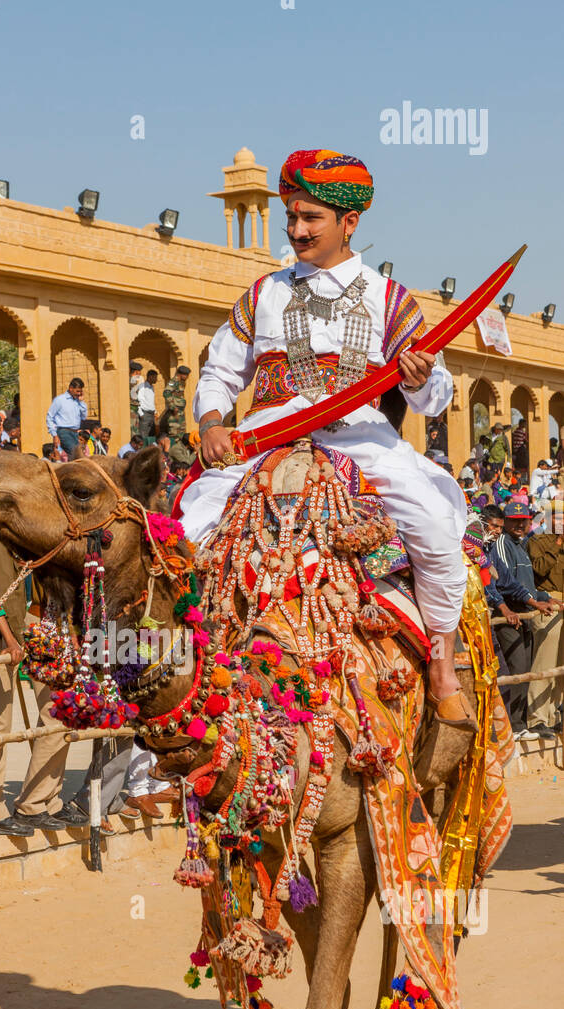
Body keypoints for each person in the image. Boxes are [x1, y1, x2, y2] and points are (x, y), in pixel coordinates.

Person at [185, 146, 477, 729]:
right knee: (185, 537)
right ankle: (185, 687)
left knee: (438, 530)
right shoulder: (261, 293)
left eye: (310, 217)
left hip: (360, 439)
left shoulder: (389, 297)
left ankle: (442, 667)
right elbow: (219, 371)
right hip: (266, 439)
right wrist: (214, 422)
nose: (295, 229)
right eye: (291, 216)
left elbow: (436, 393)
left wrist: (421, 380)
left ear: (350, 222)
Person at [0, 545, 85, 836]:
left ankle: (38, 801)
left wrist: (69, 628)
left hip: (44, 621)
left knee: (60, 712)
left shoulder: (38, 520)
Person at [491, 499, 564, 739]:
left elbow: (529, 584)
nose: (520, 525)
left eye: (523, 521)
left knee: (543, 667)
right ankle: (525, 721)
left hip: (537, 605)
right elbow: (510, 581)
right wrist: (536, 600)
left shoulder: (519, 544)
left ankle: (540, 719)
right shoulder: (529, 542)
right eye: (515, 521)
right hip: (517, 609)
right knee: (527, 667)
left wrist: (544, 598)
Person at [527, 527, 564, 731]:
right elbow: (539, 569)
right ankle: (536, 718)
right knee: (545, 660)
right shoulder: (538, 541)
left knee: (560, 664)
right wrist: (558, 542)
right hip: (548, 602)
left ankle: (554, 716)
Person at [46, 377, 87, 456]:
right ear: (71, 388)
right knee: (76, 454)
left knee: (77, 456)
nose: (79, 393)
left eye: (80, 391)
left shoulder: (78, 401)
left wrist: (81, 402)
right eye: (77, 391)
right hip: (64, 432)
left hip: (76, 433)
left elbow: (84, 417)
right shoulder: (60, 400)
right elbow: (49, 417)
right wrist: (54, 435)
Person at [162, 364, 191, 439]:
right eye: (186, 375)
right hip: (174, 412)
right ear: (181, 374)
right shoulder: (173, 381)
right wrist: (173, 407)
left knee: (181, 433)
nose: (187, 377)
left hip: (180, 411)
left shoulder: (181, 382)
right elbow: (166, 392)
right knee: (174, 433)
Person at [136, 369, 158, 442]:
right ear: (150, 377)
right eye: (155, 377)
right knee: (143, 435)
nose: (156, 379)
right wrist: (141, 413)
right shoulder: (142, 386)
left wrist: (155, 412)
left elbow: (151, 401)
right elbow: (138, 400)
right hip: (144, 414)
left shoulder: (152, 388)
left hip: (151, 414)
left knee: (151, 435)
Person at [128, 360, 143, 438]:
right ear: (136, 372)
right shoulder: (131, 381)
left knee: (135, 430)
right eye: (139, 373)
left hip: (135, 409)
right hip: (131, 410)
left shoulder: (134, 381)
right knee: (132, 431)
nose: (140, 375)